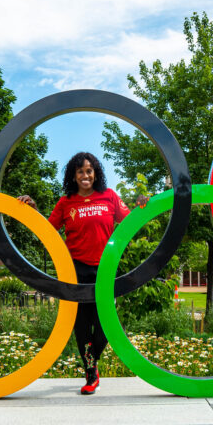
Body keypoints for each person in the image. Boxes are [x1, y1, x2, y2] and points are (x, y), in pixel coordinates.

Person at [18, 152, 146, 394]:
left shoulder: (109, 196)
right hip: (75, 269)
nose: (85, 175)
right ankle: (91, 376)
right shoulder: (66, 202)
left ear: (95, 173)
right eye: (80, 171)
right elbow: (47, 229)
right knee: (83, 325)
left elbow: (130, 223)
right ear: (73, 176)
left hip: (106, 268)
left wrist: (141, 206)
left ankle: (91, 362)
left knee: (107, 324)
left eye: (89, 170)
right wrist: (32, 209)